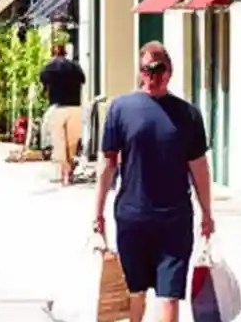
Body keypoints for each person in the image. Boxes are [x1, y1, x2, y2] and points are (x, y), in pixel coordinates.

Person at [93, 41, 215, 322]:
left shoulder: (188, 114)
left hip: (174, 219)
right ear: (140, 72)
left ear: (170, 72)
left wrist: (207, 212)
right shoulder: (120, 109)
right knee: (135, 291)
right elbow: (107, 163)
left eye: (159, 69)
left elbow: (199, 168)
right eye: (148, 70)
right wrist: (97, 211)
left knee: (170, 294)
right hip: (132, 217)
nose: (154, 75)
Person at [40, 43, 85, 185]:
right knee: (72, 144)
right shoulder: (75, 67)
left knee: (59, 142)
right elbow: (83, 80)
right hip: (75, 106)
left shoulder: (48, 68)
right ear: (65, 53)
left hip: (58, 107)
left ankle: (64, 172)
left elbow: (43, 83)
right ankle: (69, 171)